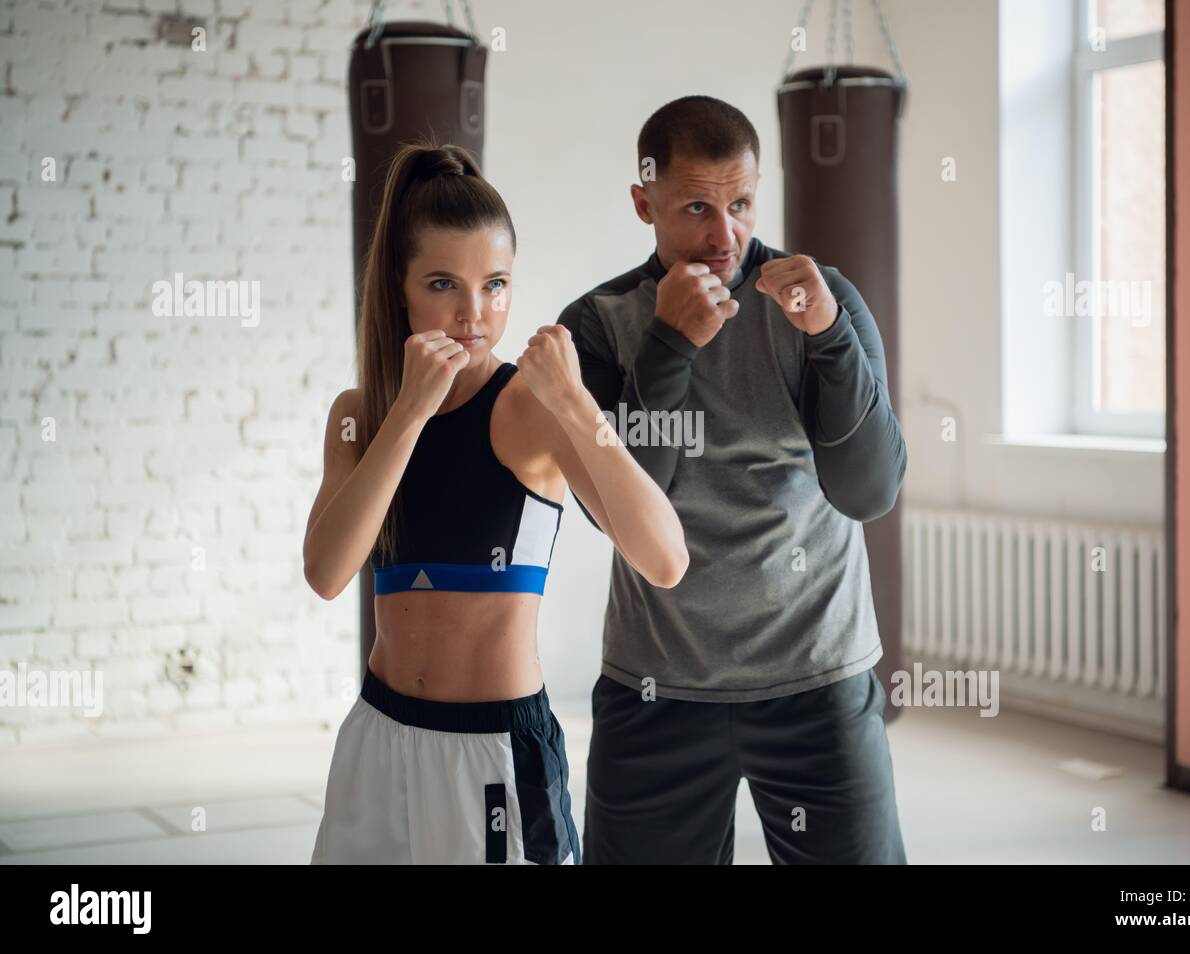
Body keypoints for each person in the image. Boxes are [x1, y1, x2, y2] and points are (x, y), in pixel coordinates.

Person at [303, 141, 688, 864]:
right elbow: (326, 573)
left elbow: (666, 558)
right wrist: (409, 416)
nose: (473, 314)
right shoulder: (360, 414)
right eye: (444, 284)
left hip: (495, 751)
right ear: (400, 286)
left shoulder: (530, 408)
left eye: (497, 284)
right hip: (379, 734)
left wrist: (577, 404)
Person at [558, 96, 909, 864]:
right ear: (643, 202)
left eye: (742, 204)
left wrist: (830, 340)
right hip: (658, 687)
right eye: (696, 208)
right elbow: (621, 514)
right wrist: (668, 346)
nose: (726, 236)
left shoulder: (823, 301)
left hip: (817, 677)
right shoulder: (598, 324)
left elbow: (869, 491)